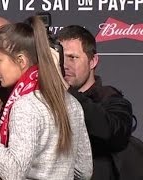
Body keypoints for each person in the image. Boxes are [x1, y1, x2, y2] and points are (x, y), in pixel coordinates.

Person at [0, 16, 93, 179]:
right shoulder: (72, 103)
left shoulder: (26, 105)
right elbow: (84, 171)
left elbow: (14, 173)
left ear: (21, 60)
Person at [56, 25, 134, 180]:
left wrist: (66, 92)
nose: (65, 66)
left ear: (93, 61)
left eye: (73, 58)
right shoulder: (48, 100)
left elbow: (112, 133)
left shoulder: (112, 100)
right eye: (61, 58)